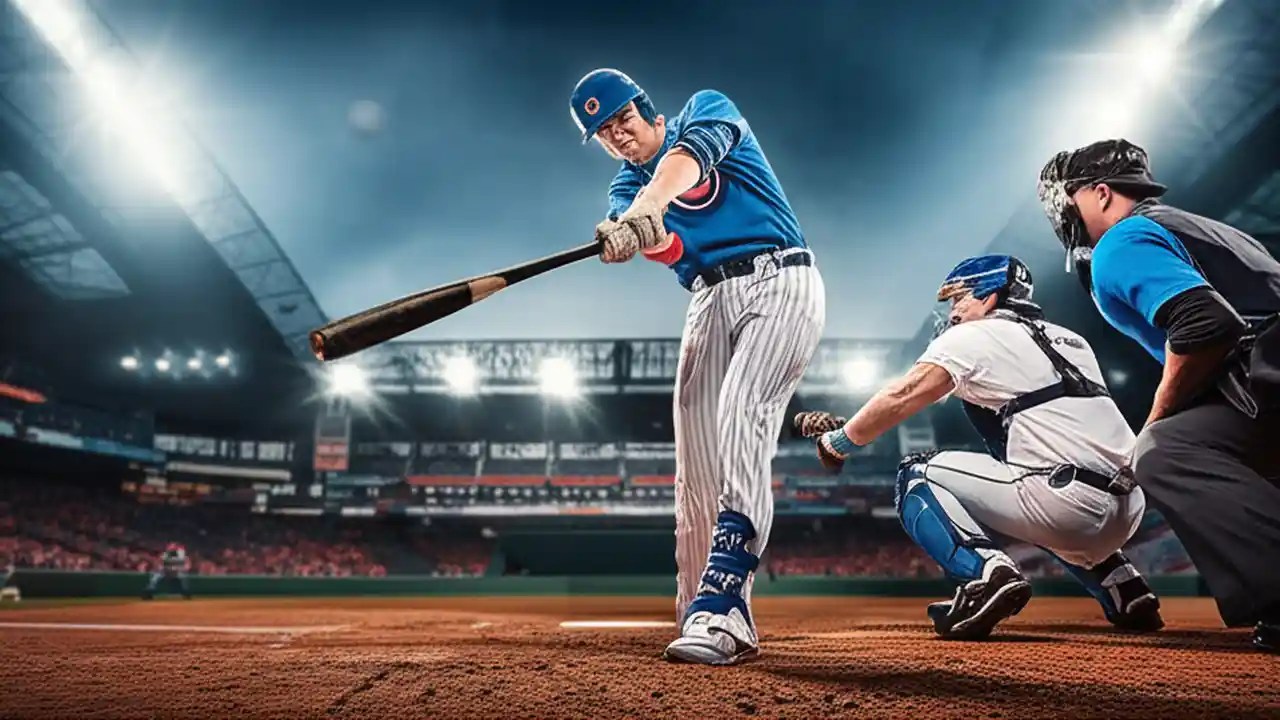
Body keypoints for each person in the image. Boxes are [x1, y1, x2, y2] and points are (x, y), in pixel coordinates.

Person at [570, 69, 825, 664]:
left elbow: (692, 158)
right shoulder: (620, 192)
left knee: (742, 411)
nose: (618, 136)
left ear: (647, 110)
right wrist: (640, 236)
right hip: (708, 297)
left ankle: (725, 602)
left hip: (780, 278)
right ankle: (697, 608)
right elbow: (680, 255)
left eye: (622, 120)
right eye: (603, 132)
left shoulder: (704, 110)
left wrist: (648, 205)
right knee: (696, 454)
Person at [795, 254, 1162, 639]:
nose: (952, 312)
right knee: (1043, 499)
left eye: (959, 299)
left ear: (989, 298)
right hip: (1129, 506)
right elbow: (933, 393)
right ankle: (1123, 586)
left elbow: (905, 393)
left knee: (916, 473)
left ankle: (986, 576)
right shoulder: (1071, 341)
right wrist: (855, 416)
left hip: (1063, 502)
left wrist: (839, 440)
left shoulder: (975, 335)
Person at [1038, 138, 1280, 652]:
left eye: (1070, 196)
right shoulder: (1204, 228)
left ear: (1101, 194)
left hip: (1270, 374)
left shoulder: (1119, 243)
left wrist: (1155, 421)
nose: (1064, 212)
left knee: (1165, 450)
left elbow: (1205, 323)